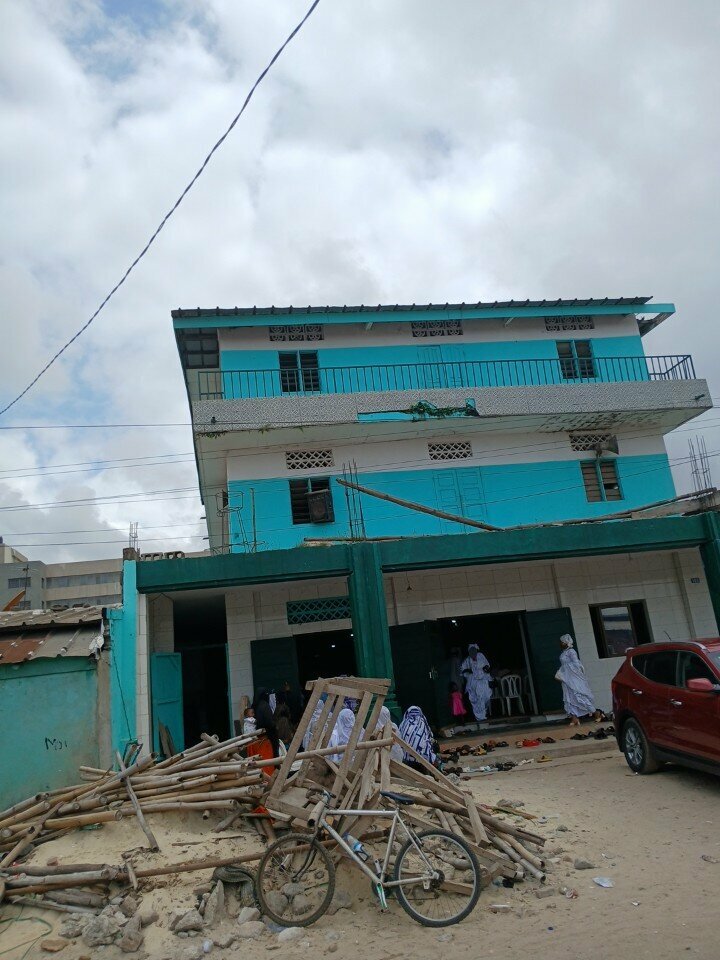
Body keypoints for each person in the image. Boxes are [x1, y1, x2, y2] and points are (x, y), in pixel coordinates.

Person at [555, 634, 603, 726]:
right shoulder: (563, 653)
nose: (560, 644)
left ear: (566, 642)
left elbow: (576, 663)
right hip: (567, 678)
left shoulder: (571, 651)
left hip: (573, 678)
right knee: (570, 697)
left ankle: (597, 713)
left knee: (579, 695)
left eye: (562, 642)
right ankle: (574, 718)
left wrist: (577, 674)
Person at [461, 643, 492, 722]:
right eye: (471, 651)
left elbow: (487, 665)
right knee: (477, 698)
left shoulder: (481, 656)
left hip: (483, 680)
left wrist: (486, 668)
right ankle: (480, 717)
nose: (472, 653)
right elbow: (462, 670)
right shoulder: (467, 660)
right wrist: (468, 670)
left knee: (486, 696)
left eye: (474, 650)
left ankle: (483, 713)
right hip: (473, 681)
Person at [252, 688, 279, 756]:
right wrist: (274, 725)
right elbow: (268, 721)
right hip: (268, 734)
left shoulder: (255, 706)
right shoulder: (264, 705)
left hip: (259, 734)